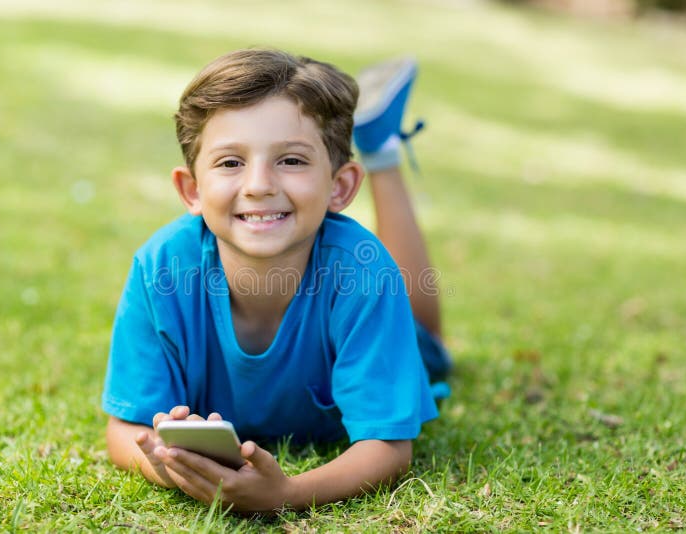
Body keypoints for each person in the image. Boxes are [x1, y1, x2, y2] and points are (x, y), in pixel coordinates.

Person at [102, 49, 452, 513]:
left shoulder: (362, 274)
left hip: (380, 310)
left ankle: (379, 148)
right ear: (192, 190)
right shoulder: (160, 269)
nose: (259, 185)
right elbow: (124, 430)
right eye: (230, 163)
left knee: (426, 338)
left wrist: (285, 494)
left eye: (290, 160)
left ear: (339, 187)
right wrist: (169, 466)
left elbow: (389, 448)